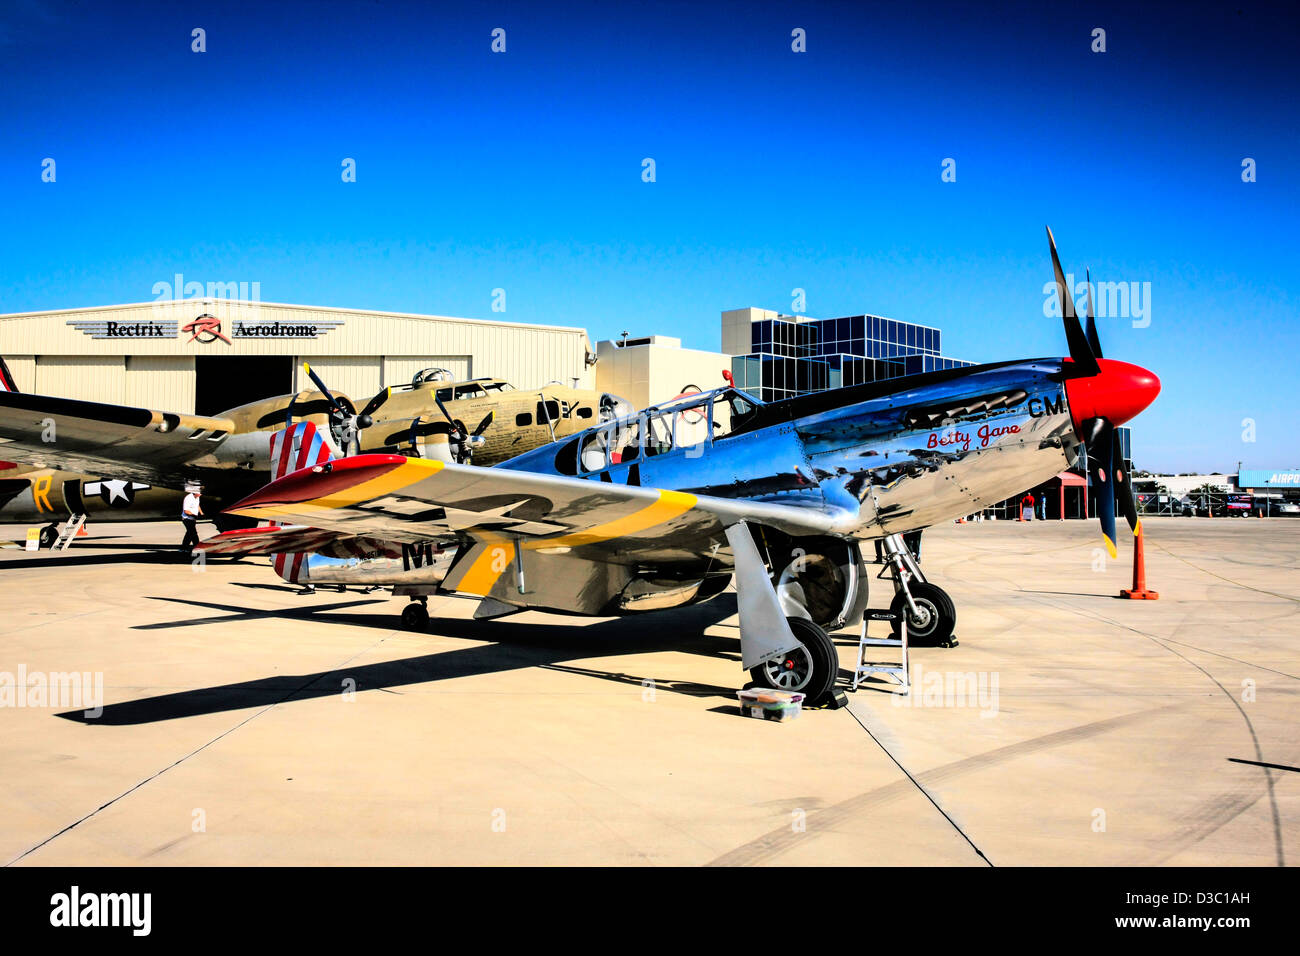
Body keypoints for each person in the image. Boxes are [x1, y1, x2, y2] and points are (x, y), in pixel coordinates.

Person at [180, 483, 203, 554]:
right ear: (195, 493)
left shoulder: (197, 497)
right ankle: (197, 547)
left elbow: (197, 505)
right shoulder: (188, 498)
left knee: (189, 534)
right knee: (194, 533)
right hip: (187, 519)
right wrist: (194, 515)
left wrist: (201, 512)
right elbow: (186, 511)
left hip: (193, 519)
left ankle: (183, 548)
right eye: (200, 494)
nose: (201, 495)